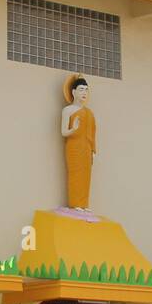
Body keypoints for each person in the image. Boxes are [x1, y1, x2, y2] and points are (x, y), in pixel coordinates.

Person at [60, 75, 96, 209]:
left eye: (86, 90)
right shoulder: (67, 110)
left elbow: (93, 133)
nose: (84, 93)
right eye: (81, 89)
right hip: (74, 148)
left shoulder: (89, 113)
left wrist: (93, 150)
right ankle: (75, 203)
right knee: (75, 175)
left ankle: (84, 204)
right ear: (73, 92)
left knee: (86, 176)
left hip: (86, 148)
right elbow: (63, 132)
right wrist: (73, 129)